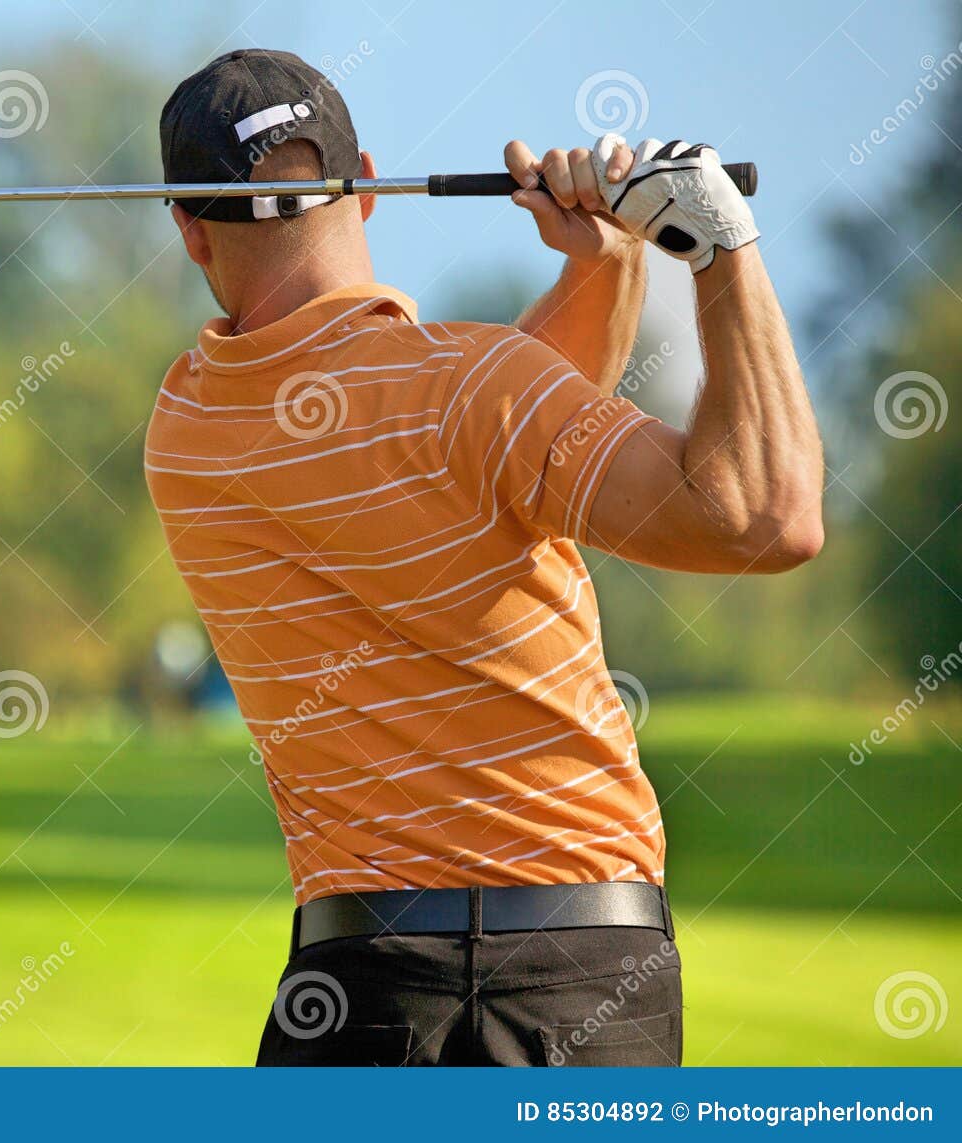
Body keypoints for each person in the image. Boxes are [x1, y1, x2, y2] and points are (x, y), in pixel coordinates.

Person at [146, 48, 823, 1066]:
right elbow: (766, 515)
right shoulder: (477, 388)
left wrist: (603, 264)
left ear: (188, 228)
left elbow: (493, 459)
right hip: (581, 971)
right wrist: (718, 246)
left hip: (356, 983)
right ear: (364, 182)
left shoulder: (185, 427)